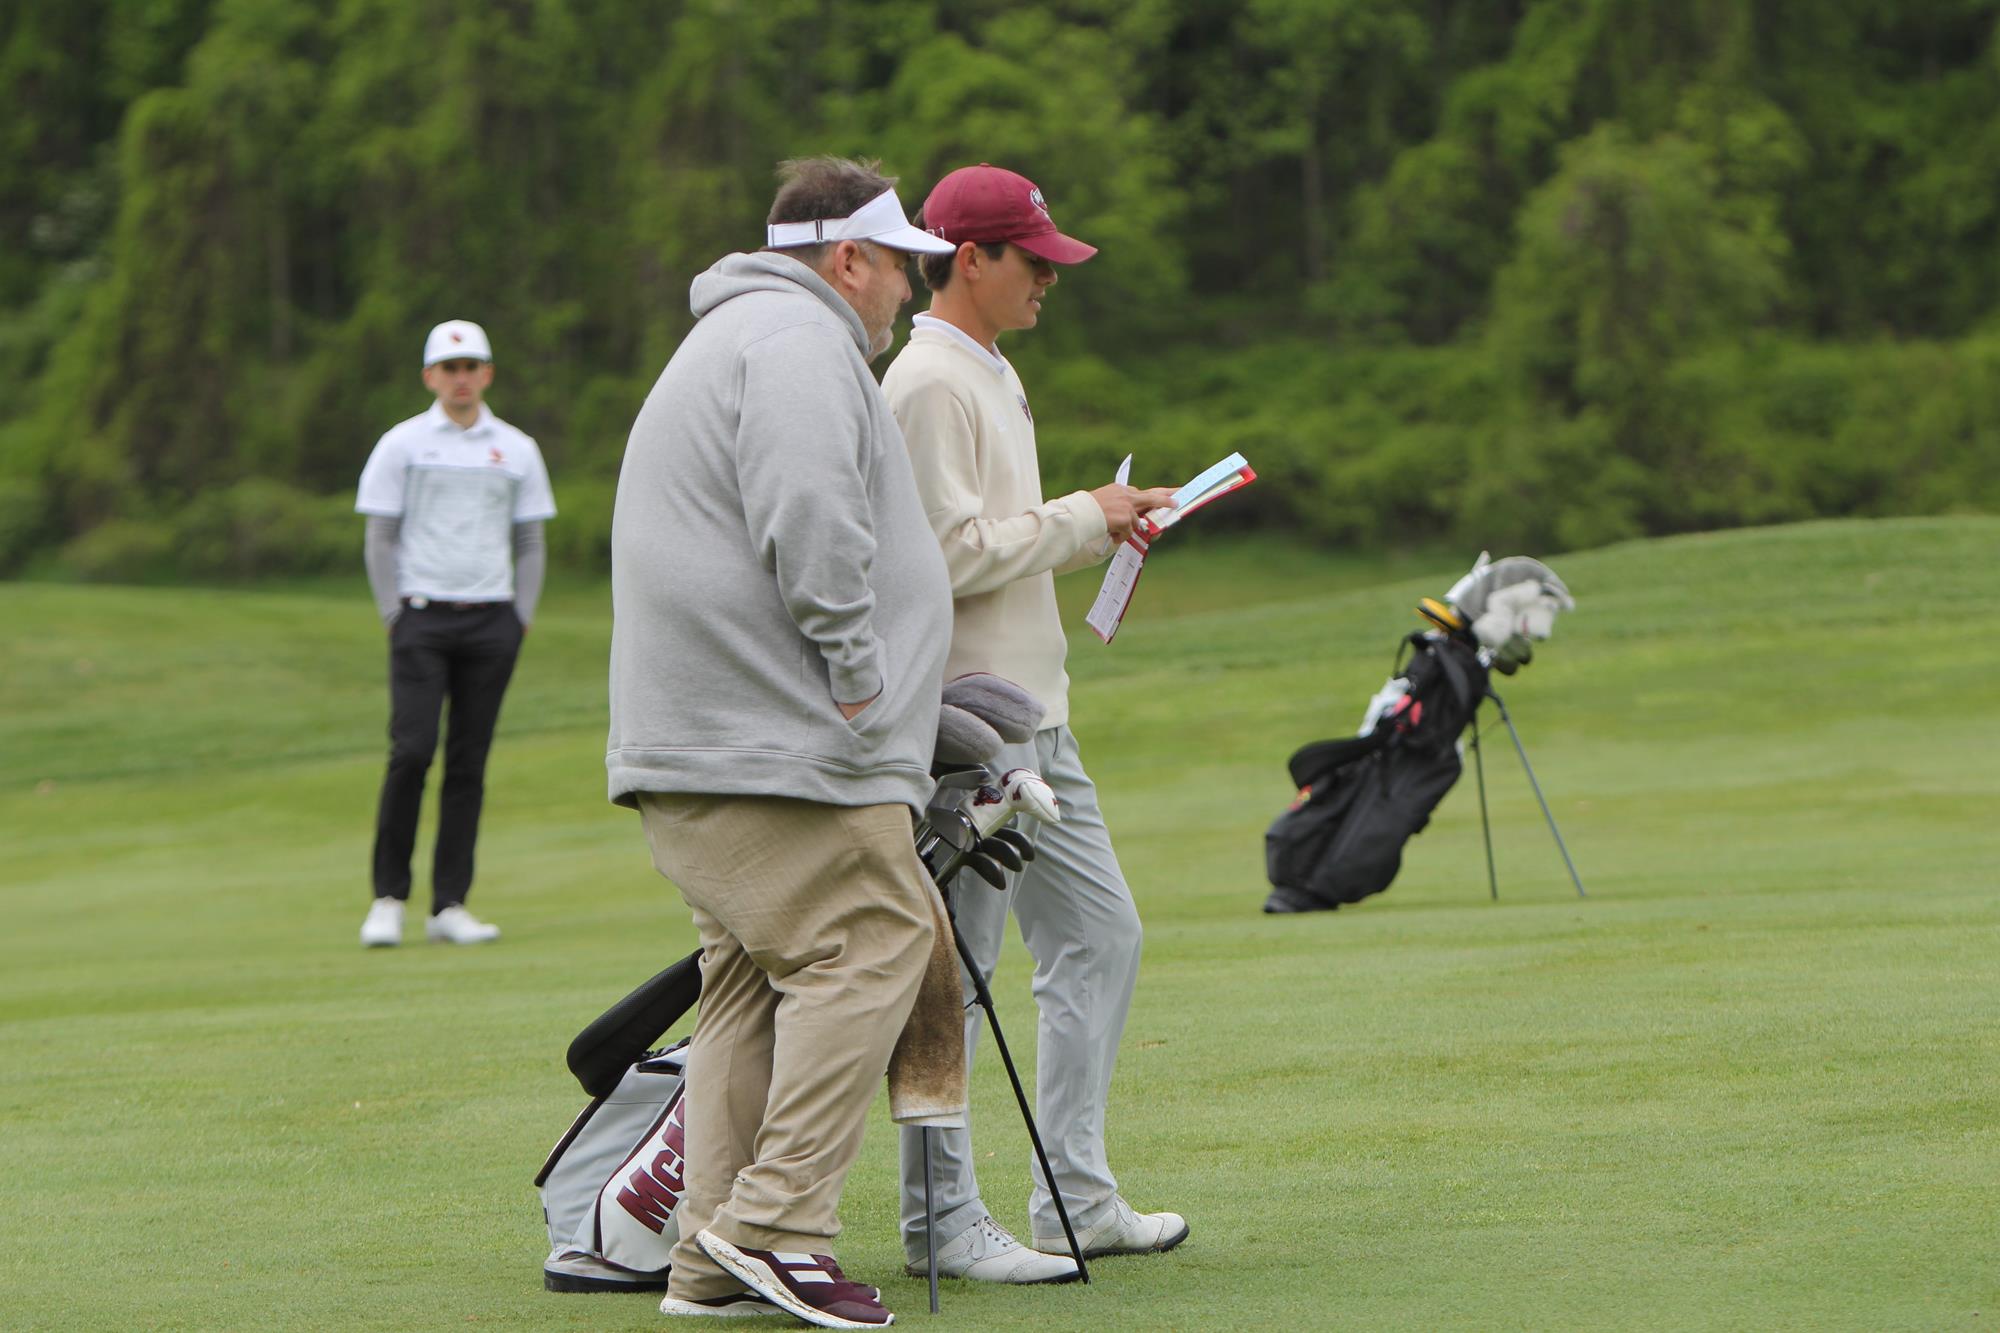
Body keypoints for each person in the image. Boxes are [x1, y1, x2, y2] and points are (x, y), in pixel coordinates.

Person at [606, 156, 959, 1330]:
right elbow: (809, 520)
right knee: (877, 937)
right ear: (846, 258)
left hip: (722, 741)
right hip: (775, 742)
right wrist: (865, 681)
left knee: (749, 981)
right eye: (900, 266)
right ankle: (774, 1225)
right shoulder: (799, 341)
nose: (909, 290)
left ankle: (709, 1259)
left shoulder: (740, 335)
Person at [882, 164, 1189, 1285]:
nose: (1048, 281)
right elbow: (943, 554)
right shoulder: (924, 382)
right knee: (954, 976)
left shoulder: (987, 369)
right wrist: (1081, 516)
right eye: (1032, 261)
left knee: (1100, 938)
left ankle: (1074, 1198)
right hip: (965, 731)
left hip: (1037, 722)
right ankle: (939, 1224)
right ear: (971, 258)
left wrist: (1098, 526)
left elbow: (998, 532)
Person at [354, 320, 554, 948]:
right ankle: (388, 898)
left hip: (493, 619)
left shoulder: (516, 448)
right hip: (421, 617)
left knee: (469, 762)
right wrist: (394, 613)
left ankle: (449, 905)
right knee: (411, 752)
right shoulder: (403, 444)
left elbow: (529, 541)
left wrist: (519, 616)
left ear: (487, 374)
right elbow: (380, 535)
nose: (461, 377)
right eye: (450, 367)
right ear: (430, 377)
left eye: (471, 367)